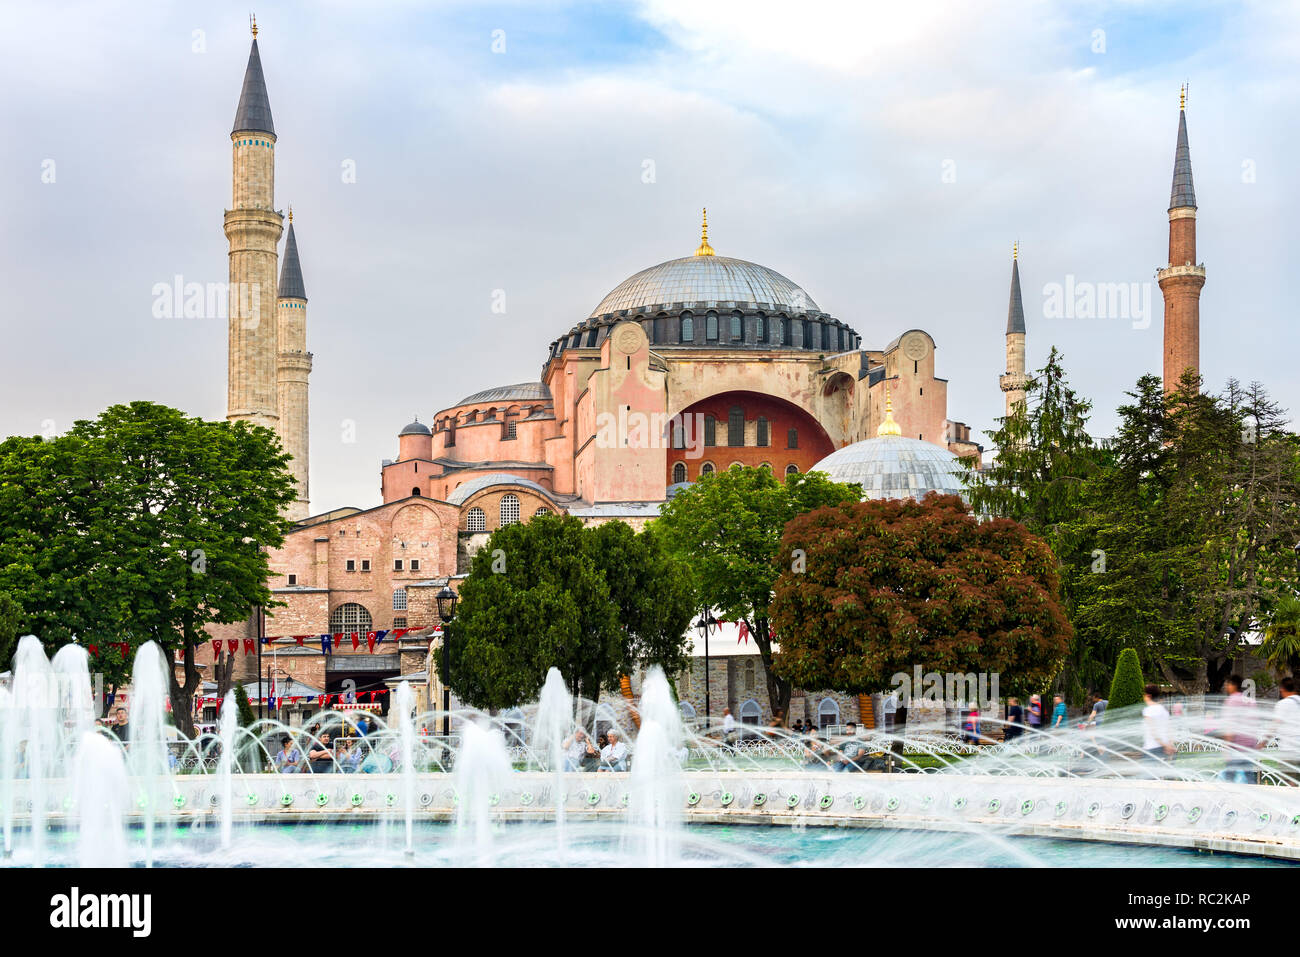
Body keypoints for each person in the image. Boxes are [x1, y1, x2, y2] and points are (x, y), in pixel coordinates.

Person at [1217, 674, 1258, 784]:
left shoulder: (1231, 701)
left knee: (1229, 780)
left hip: (1235, 748)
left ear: (1234, 685)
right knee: (1249, 779)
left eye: (1227, 684)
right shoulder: (1250, 701)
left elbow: (1230, 726)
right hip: (1249, 746)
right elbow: (1254, 723)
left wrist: (1226, 747)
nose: (1226, 687)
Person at [1268, 677, 1300, 780]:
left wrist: (1261, 744)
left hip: (1288, 750)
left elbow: (1274, 726)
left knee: (1289, 782)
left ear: (1282, 689)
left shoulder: (1282, 704)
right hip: (1296, 750)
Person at [1142, 684, 1175, 766]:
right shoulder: (1163, 710)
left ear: (1148, 696)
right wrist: (1170, 745)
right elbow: (1169, 729)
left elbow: (1153, 732)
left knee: (1147, 773)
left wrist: (1165, 745)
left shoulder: (1148, 710)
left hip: (1152, 748)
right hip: (1163, 748)